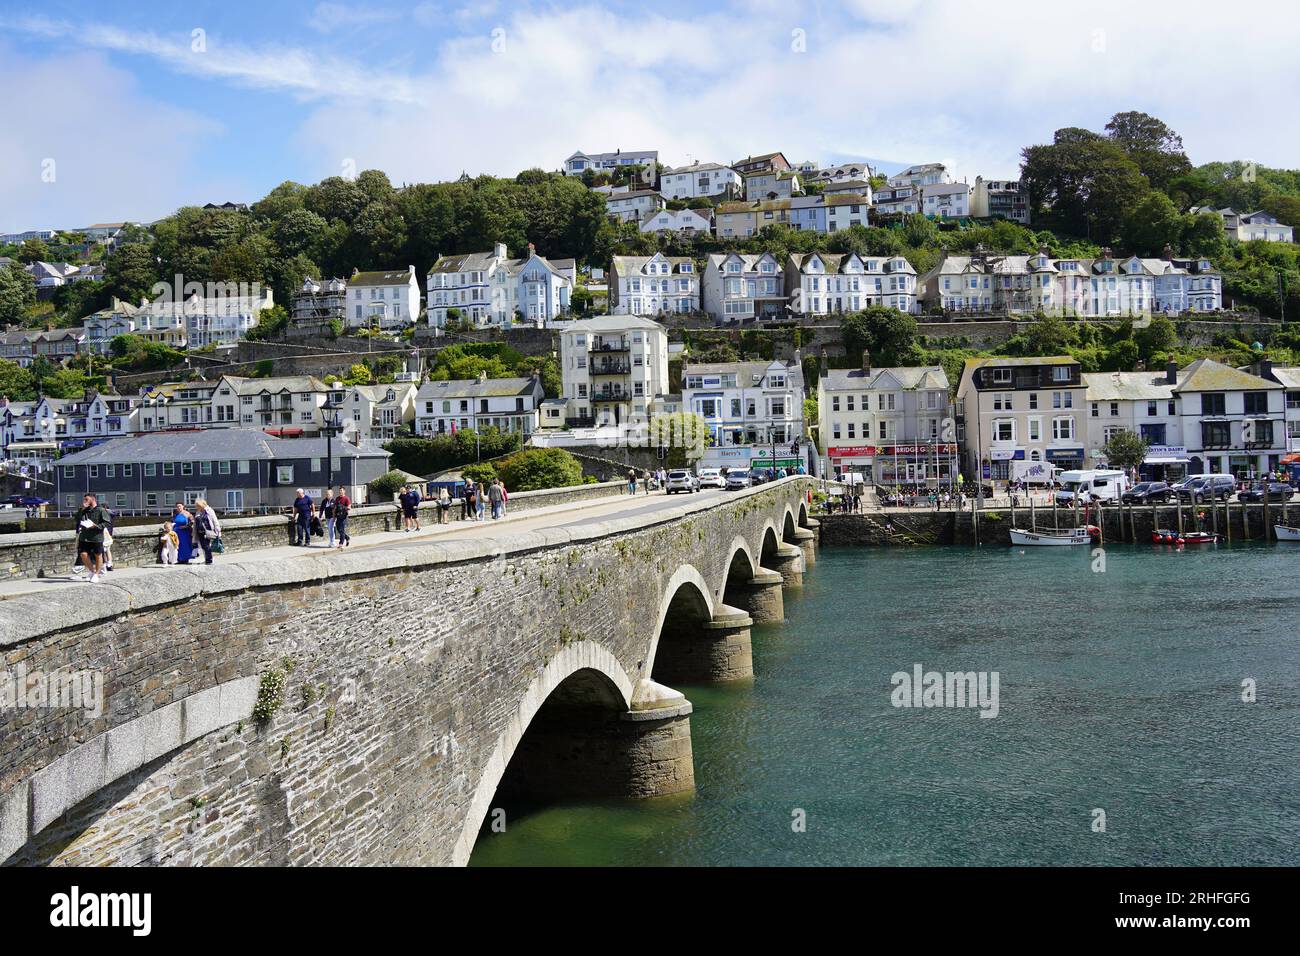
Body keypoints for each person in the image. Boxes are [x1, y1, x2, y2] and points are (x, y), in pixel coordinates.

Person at [74, 493, 112, 582]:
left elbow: (107, 523)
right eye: (84, 500)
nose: (85, 501)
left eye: (87, 499)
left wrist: (96, 526)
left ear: (93, 499)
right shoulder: (83, 510)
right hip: (84, 537)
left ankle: (96, 574)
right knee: (83, 554)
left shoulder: (101, 510)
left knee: (98, 555)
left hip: (96, 537)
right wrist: (82, 510)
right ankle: (92, 571)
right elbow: (76, 519)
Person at [193, 497, 222, 565]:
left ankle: (209, 560)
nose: (196, 507)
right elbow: (195, 522)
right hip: (199, 532)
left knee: (206, 546)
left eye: (197, 505)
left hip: (208, 531)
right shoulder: (198, 512)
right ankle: (207, 558)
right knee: (203, 546)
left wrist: (218, 531)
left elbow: (215, 521)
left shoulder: (209, 510)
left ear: (201, 505)